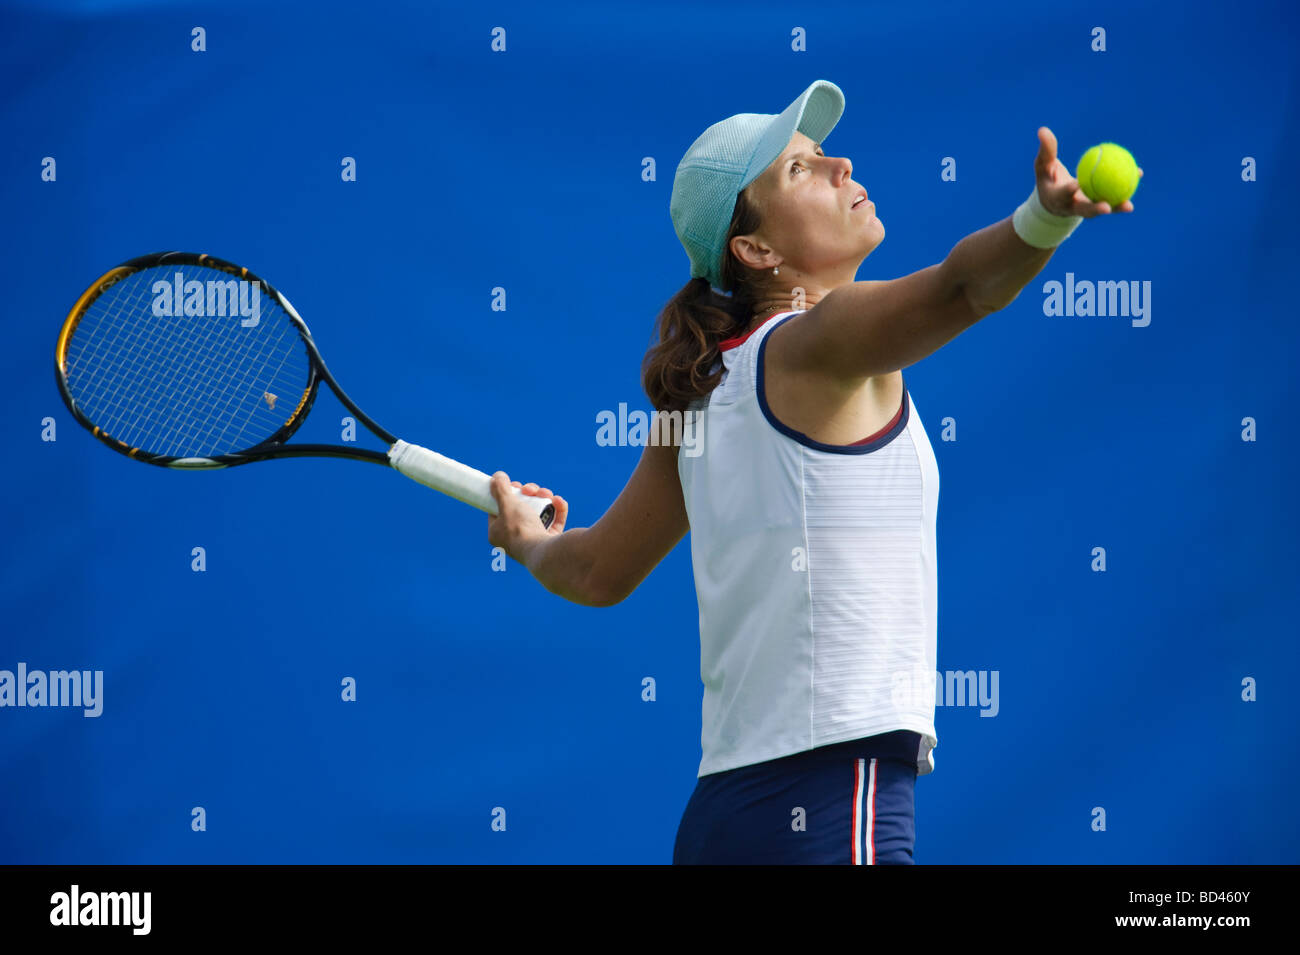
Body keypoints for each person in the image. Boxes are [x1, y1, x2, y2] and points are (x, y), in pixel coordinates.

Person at [484, 80, 1139, 864]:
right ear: (756, 250)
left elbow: (593, 570)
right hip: (832, 803)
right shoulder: (817, 338)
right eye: (800, 169)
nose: (840, 165)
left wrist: (527, 541)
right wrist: (1044, 219)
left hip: (721, 817)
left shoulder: (699, 397)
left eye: (824, 154)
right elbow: (963, 288)